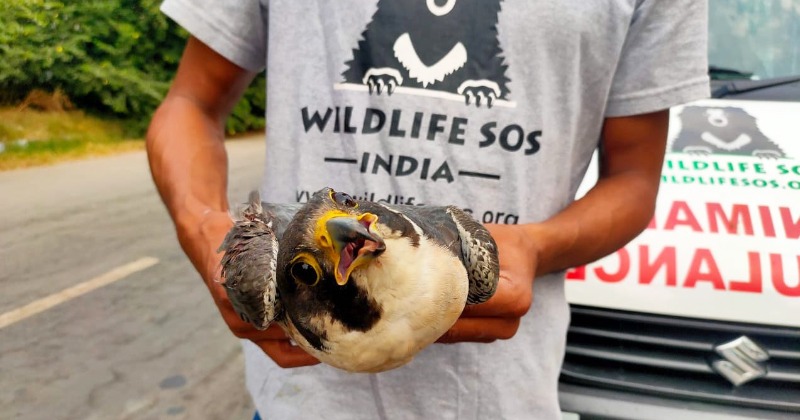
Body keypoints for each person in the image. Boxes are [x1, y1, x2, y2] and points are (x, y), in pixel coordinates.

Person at [146, 1, 709, 418]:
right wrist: (208, 232)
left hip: (505, 398)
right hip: (300, 403)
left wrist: (536, 246)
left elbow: (635, 178)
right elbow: (190, 102)